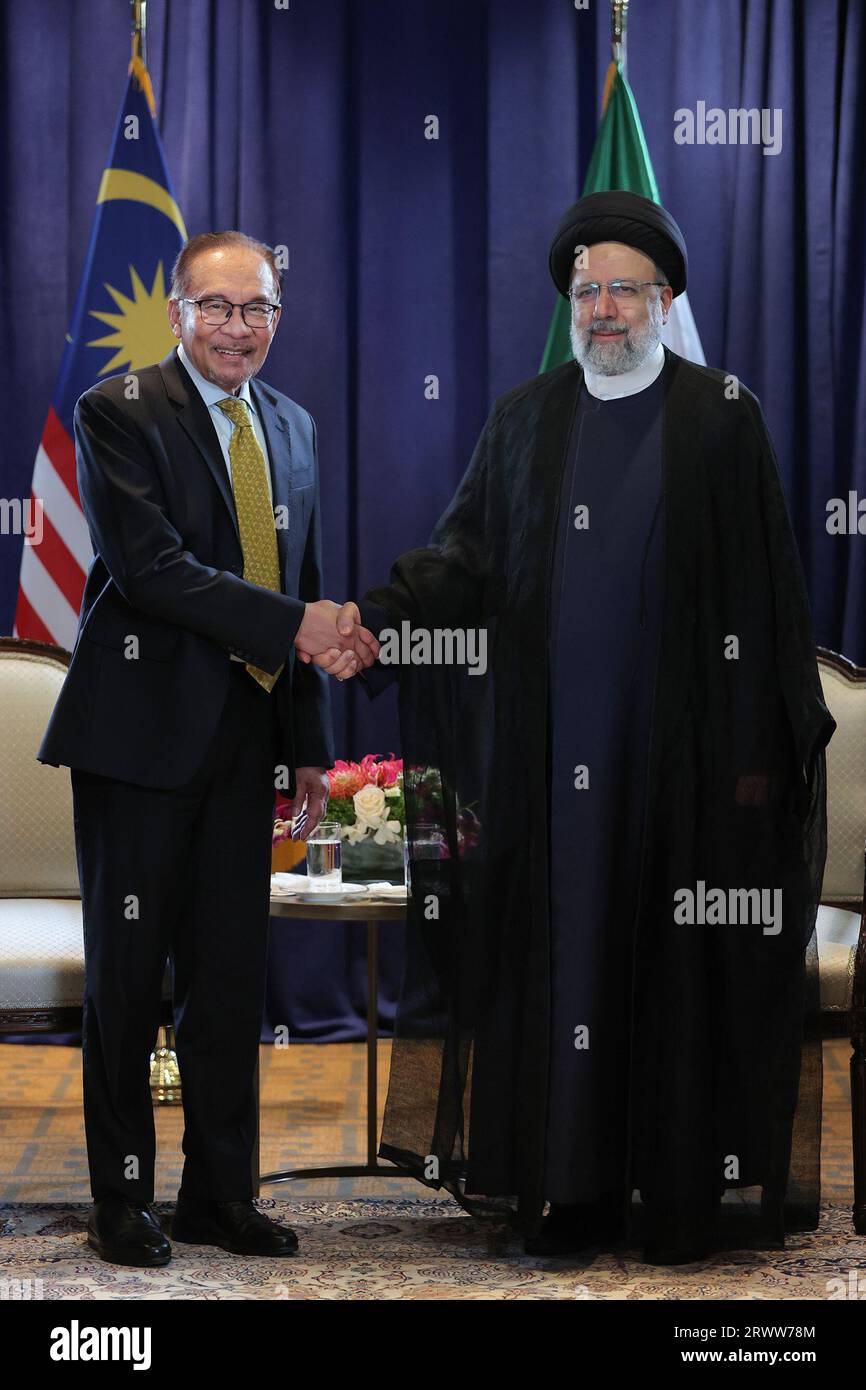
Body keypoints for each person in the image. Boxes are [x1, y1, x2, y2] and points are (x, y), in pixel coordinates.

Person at [316, 191, 836, 1264]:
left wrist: (755, 764)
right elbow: (460, 561)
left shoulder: (720, 416)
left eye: (623, 288)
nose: (602, 307)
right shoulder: (524, 417)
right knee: (565, 969)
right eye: (585, 288)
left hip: (680, 770)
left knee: (670, 973)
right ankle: (567, 1190)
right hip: (549, 772)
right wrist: (369, 623)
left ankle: (673, 1198)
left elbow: (767, 602)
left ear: (664, 300)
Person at [37, 230, 378, 1266]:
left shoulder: (294, 424)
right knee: (131, 983)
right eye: (218, 308)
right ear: (177, 314)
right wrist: (301, 624)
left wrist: (310, 746)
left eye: (258, 308)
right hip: (137, 743)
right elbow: (152, 570)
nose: (240, 328)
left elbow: (304, 567)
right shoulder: (120, 411)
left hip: (247, 747)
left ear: (279, 315)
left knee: (230, 983)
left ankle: (218, 1195)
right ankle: (124, 1202)